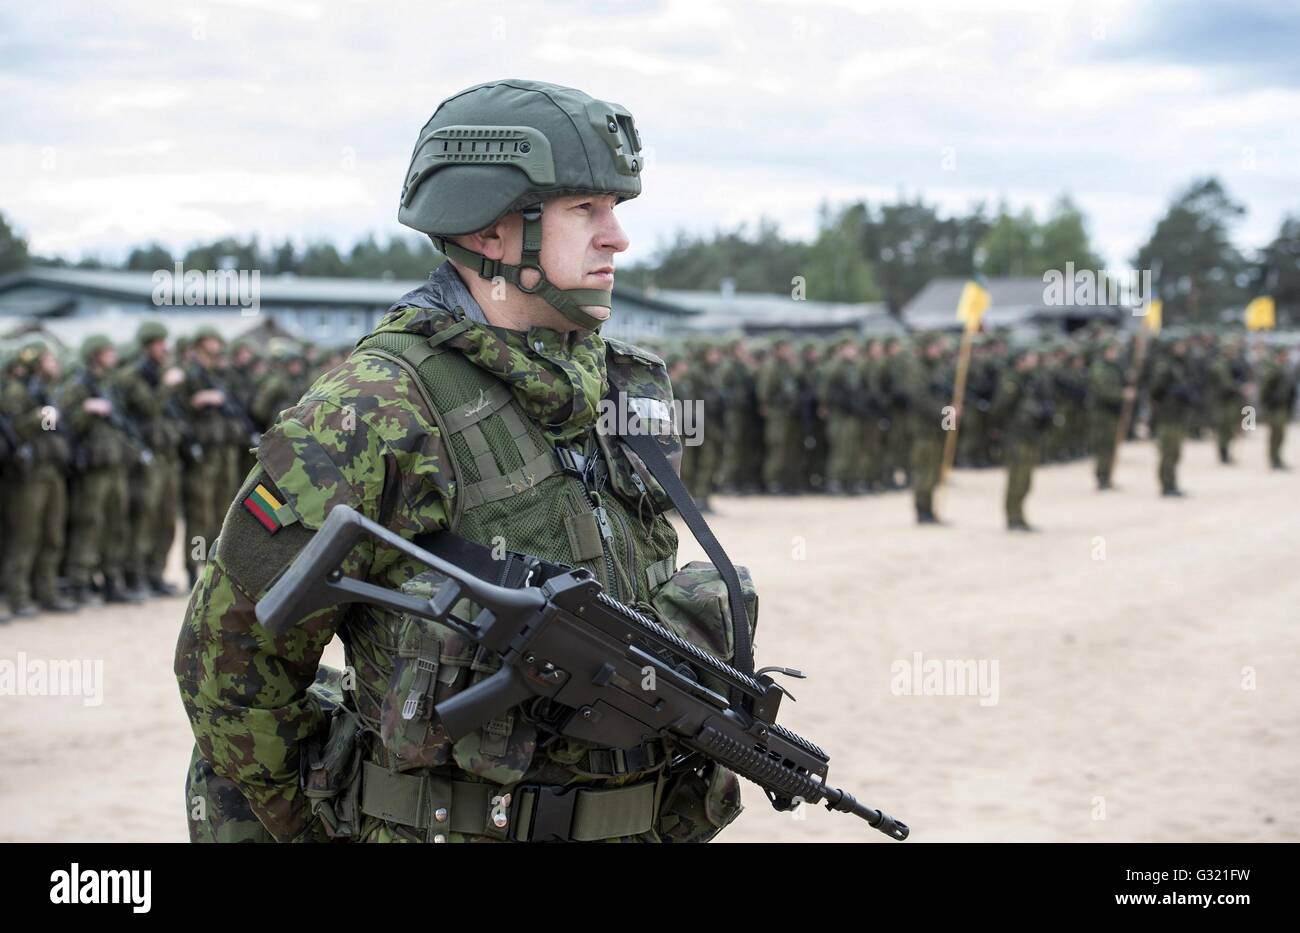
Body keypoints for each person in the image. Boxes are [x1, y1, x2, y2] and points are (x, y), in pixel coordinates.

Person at [176, 79, 752, 844]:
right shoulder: (375, 408)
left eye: (615, 210)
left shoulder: (622, 391)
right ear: (490, 232)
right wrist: (333, 822)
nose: (617, 237)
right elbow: (230, 662)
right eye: (585, 209)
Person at [1, 341, 76, 616]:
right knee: (25, 536)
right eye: (48, 359)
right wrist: (38, 417)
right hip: (29, 476)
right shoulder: (16, 392)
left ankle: (47, 592)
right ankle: (18, 596)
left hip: (52, 471)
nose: (54, 364)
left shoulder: (48, 391)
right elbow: (13, 431)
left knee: (52, 535)